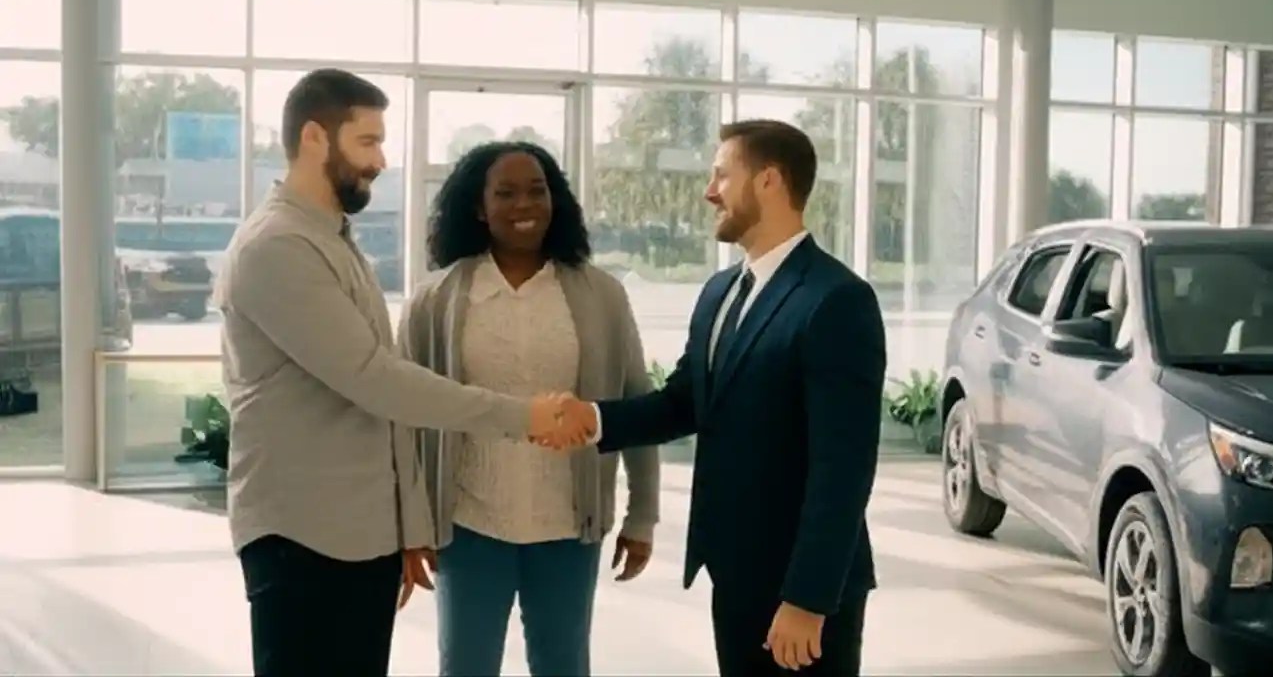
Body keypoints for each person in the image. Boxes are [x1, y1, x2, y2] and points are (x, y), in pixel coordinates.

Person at [213, 69, 588, 677]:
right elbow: (376, 379)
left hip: (356, 536)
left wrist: (405, 527)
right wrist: (524, 415)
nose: (382, 160)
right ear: (314, 138)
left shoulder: (331, 239)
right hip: (303, 538)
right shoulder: (277, 246)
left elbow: (379, 409)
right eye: (368, 142)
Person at [549, 120, 887, 676]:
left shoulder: (837, 300)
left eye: (722, 175)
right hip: (733, 574)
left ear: (769, 182)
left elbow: (843, 470)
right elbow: (684, 402)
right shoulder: (721, 292)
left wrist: (807, 600)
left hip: (801, 591)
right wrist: (593, 419)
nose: (710, 192)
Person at [396, 141, 661, 677]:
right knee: (465, 666)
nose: (525, 205)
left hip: (568, 523)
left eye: (537, 190)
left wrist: (643, 514)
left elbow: (636, 405)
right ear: (478, 206)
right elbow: (402, 416)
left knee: (563, 665)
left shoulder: (601, 294)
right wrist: (409, 523)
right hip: (468, 523)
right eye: (506, 193)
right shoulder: (437, 300)